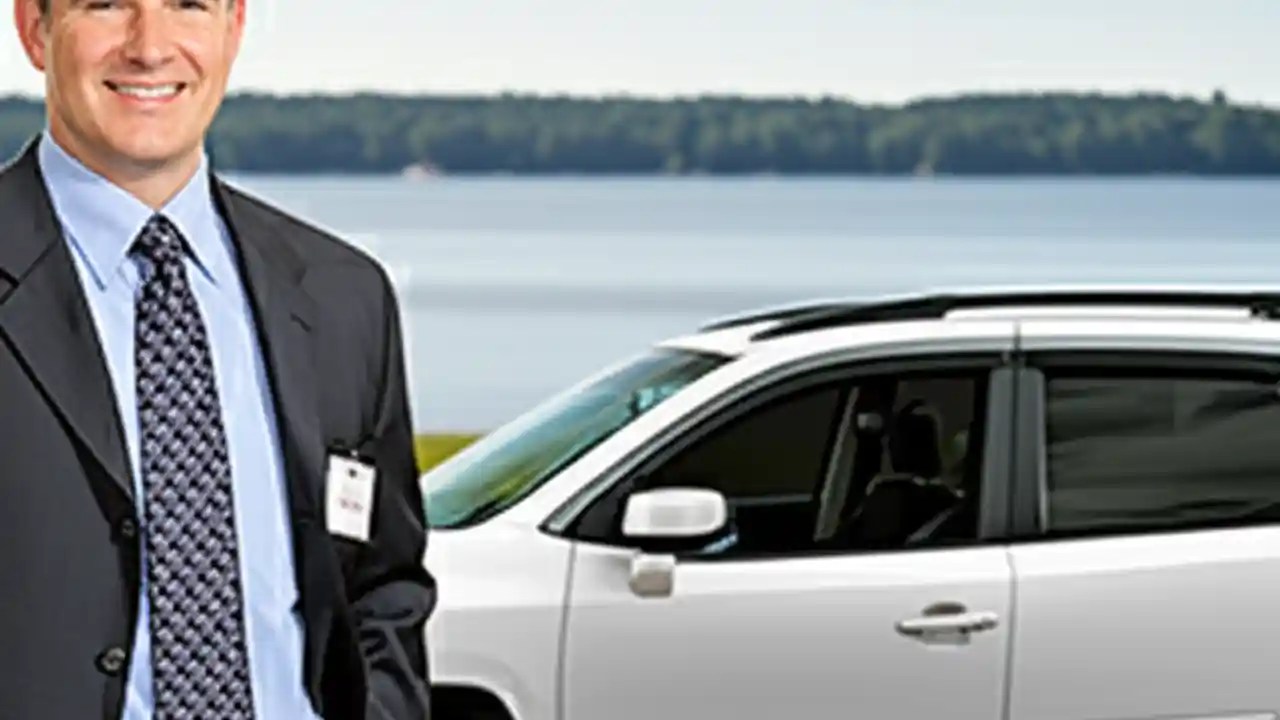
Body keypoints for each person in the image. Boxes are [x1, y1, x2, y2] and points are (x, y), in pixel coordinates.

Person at [0, 0, 436, 718]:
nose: (150, 47)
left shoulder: (344, 297)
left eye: (188, 6)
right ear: (34, 28)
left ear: (233, 27)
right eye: (107, 5)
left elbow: (383, 588)